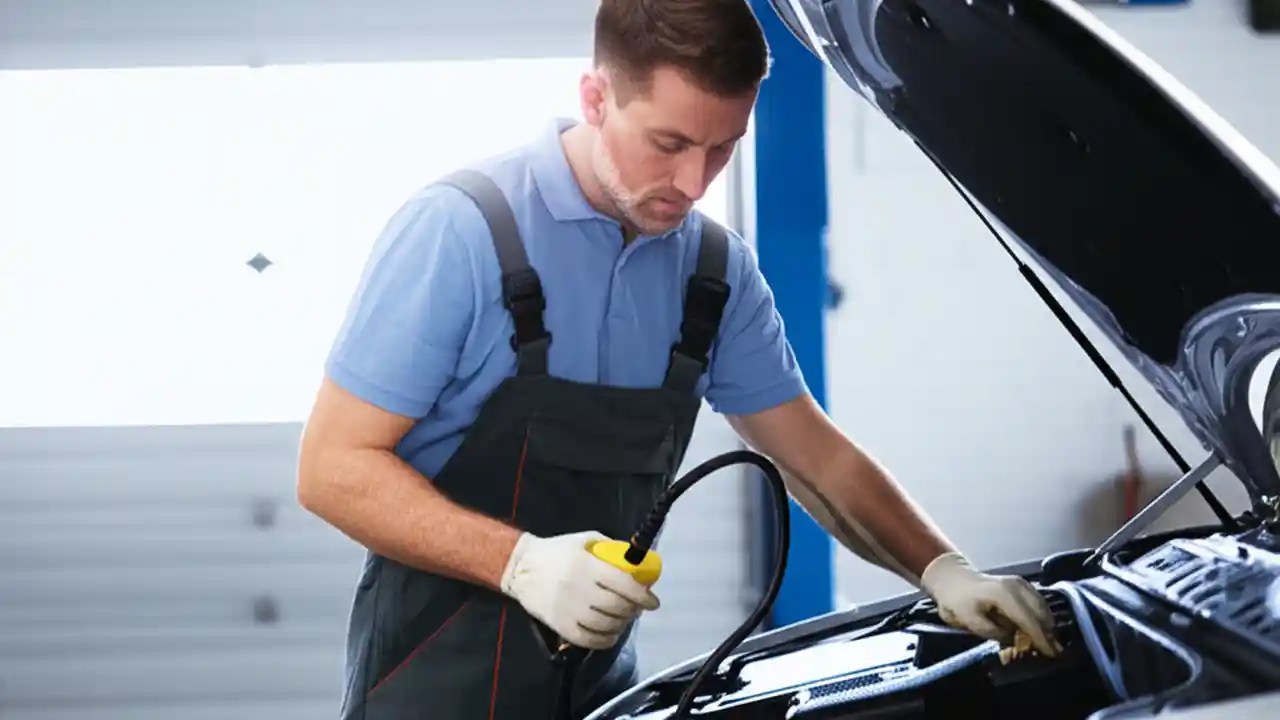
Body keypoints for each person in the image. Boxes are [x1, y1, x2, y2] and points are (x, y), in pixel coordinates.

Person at [296, 0, 1061, 717]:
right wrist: (520, 563)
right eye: (668, 144)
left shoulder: (714, 275)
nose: (694, 183)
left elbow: (817, 459)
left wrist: (943, 570)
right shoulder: (460, 234)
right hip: (428, 689)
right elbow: (331, 467)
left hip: (600, 692)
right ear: (596, 100)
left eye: (723, 148)